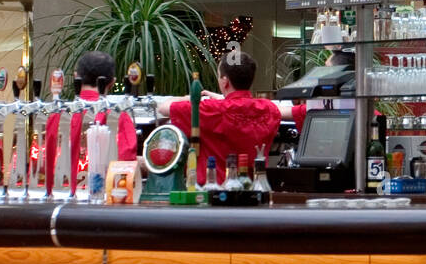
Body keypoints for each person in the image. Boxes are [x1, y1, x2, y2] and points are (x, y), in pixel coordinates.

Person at [160, 50, 281, 186]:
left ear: (225, 81)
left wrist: (193, 98)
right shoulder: (270, 110)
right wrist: (221, 98)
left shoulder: (213, 110)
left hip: (213, 190)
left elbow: (164, 107)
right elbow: (241, 105)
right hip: (254, 189)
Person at [45, 51, 138, 195]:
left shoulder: (57, 115)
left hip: (54, 205)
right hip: (99, 209)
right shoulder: (119, 116)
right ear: (112, 82)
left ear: (76, 77)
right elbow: (125, 166)